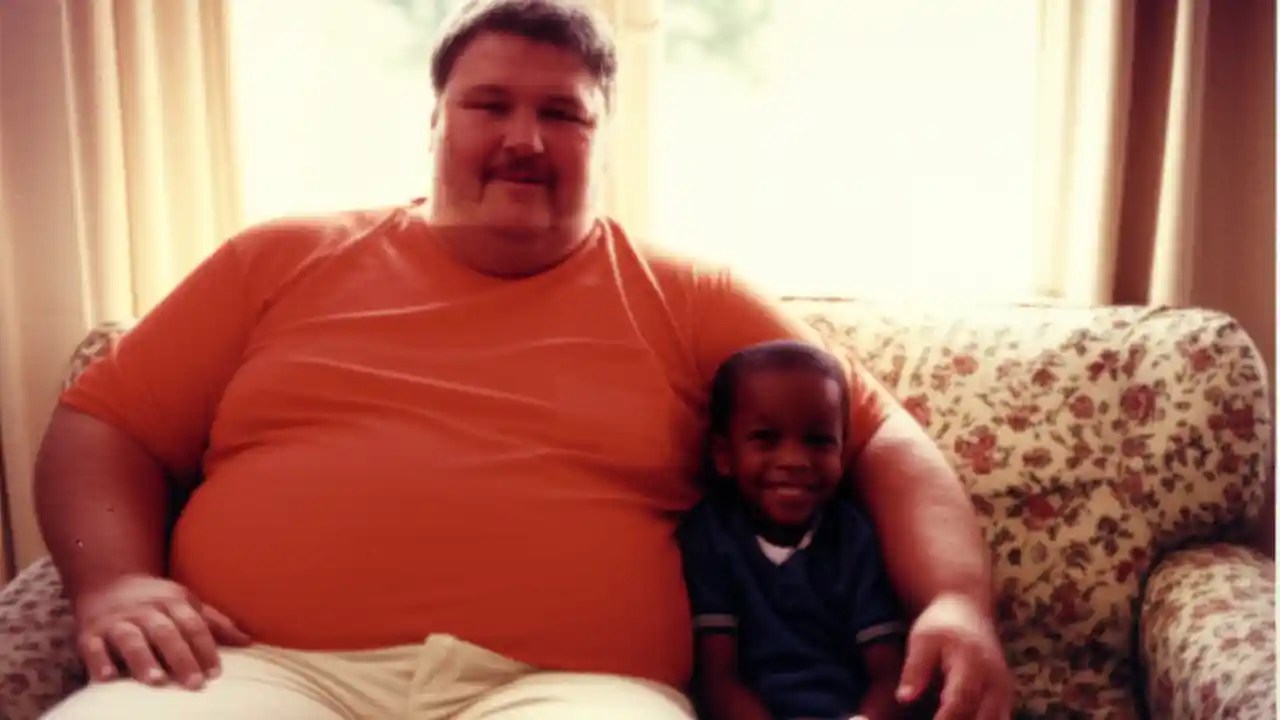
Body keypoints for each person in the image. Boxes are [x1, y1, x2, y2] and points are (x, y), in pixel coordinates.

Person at [34, 0, 1013, 718]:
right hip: (252, 670)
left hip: (570, 691)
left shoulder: (691, 296)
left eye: (563, 114)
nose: (524, 140)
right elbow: (105, 424)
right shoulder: (279, 258)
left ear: (601, 140)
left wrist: (956, 605)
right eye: (488, 104)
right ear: (434, 121)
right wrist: (112, 583)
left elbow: (883, 441)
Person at [681, 341, 907, 720]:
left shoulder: (854, 539)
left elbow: (889, 676)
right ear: (724, 455)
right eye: (766, 438)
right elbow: (717, 680)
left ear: (842, 452)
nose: (795, 460)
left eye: (818, 441)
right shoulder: (711, 537)